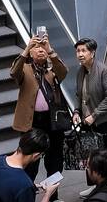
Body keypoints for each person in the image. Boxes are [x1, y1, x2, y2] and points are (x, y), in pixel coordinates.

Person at [10, 34, 69, 190]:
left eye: (42, 47)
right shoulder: (24, 69)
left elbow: (63, 71)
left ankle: (52, 195)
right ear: (30, 52)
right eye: (36, 48)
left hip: (52, 121)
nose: (40, 50)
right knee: (30, 161)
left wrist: (50, 50)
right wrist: (27, 47)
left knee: (55, 160)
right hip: (32, 121)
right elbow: (13, 72)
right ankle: (27, 192)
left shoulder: (52, 71)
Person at [74, 37, 107, 151]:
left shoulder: (104, 71)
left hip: (103, 122)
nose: (80, 54)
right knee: (89, 157)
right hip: (87, 122)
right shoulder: (81, 71)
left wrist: (94, 115)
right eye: (78, 51)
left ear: (92, 53)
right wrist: (76, 112)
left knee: (104, 157)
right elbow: (79, 95)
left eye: (83, 51)